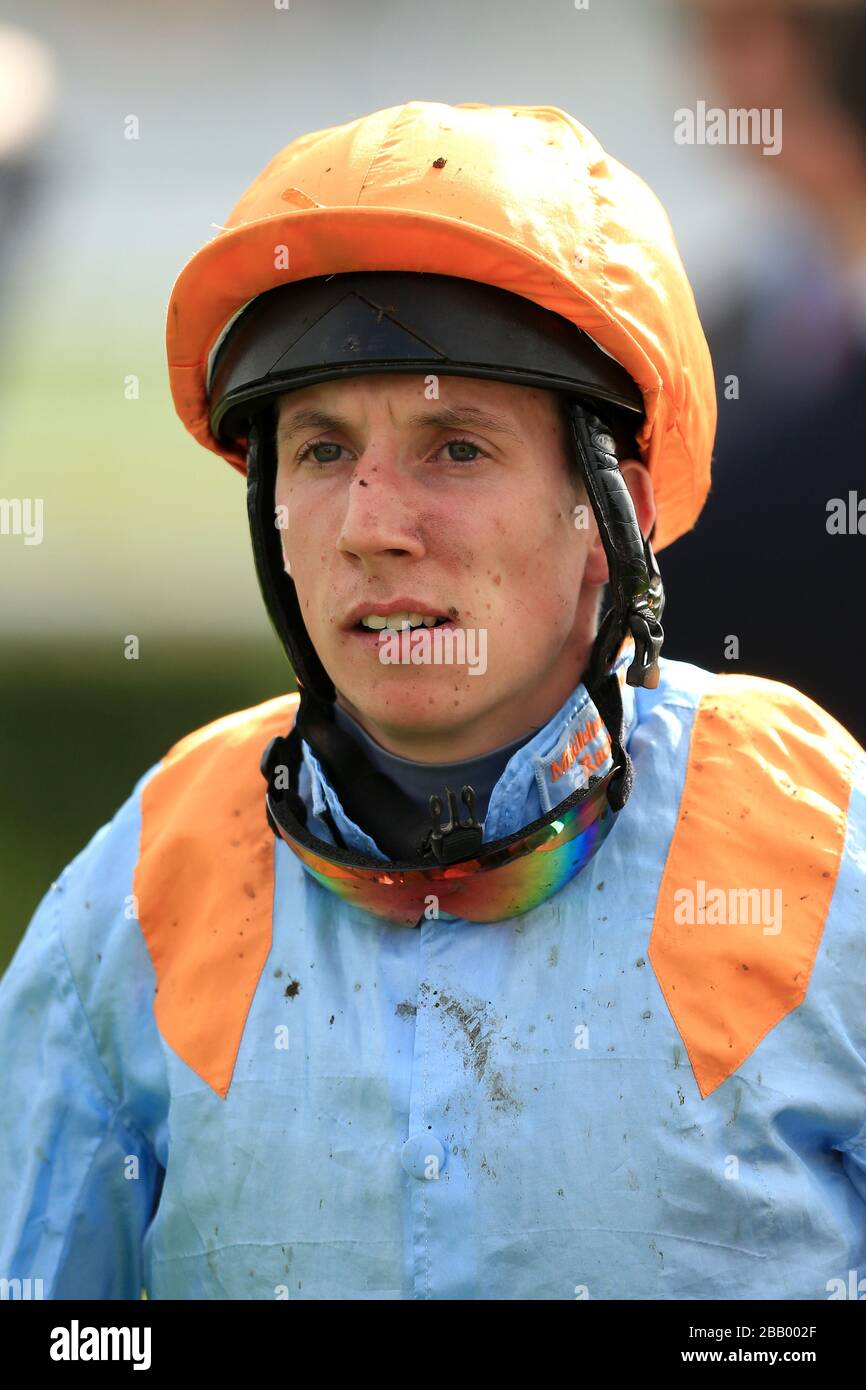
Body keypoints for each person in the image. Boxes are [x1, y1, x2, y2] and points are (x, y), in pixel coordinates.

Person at [1, 100, 864, 1302]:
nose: (370, 527)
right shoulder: (149, 878)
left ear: (606, 515)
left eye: (453, 447)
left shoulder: (822, 847)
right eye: (317, 450)